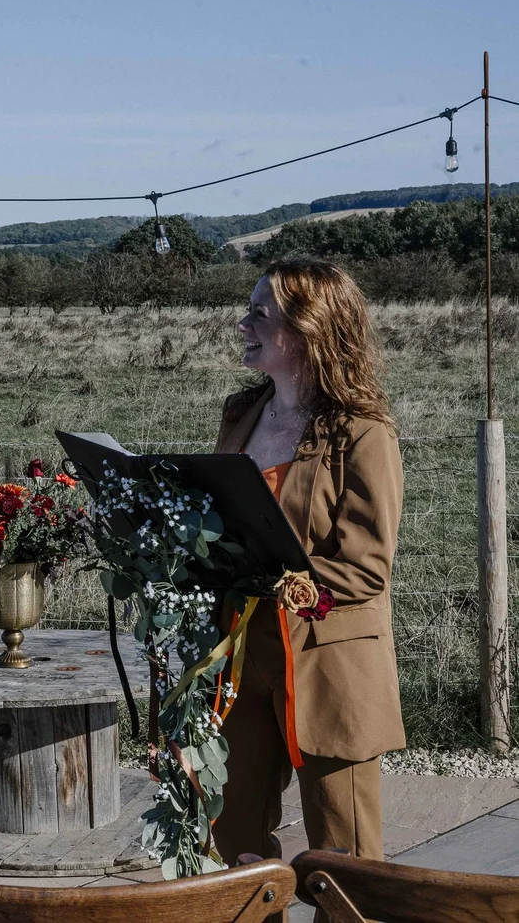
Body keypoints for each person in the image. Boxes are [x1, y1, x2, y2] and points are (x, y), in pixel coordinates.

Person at [212, 256, 404, 865]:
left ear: (306, 330)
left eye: (258, 314)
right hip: (242, 656)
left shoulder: (363, 433)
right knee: (232, 840)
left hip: (329, 664)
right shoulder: (239, 415)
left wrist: (260, 574)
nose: (242, 324)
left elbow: (366, 568)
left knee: (344, 859)